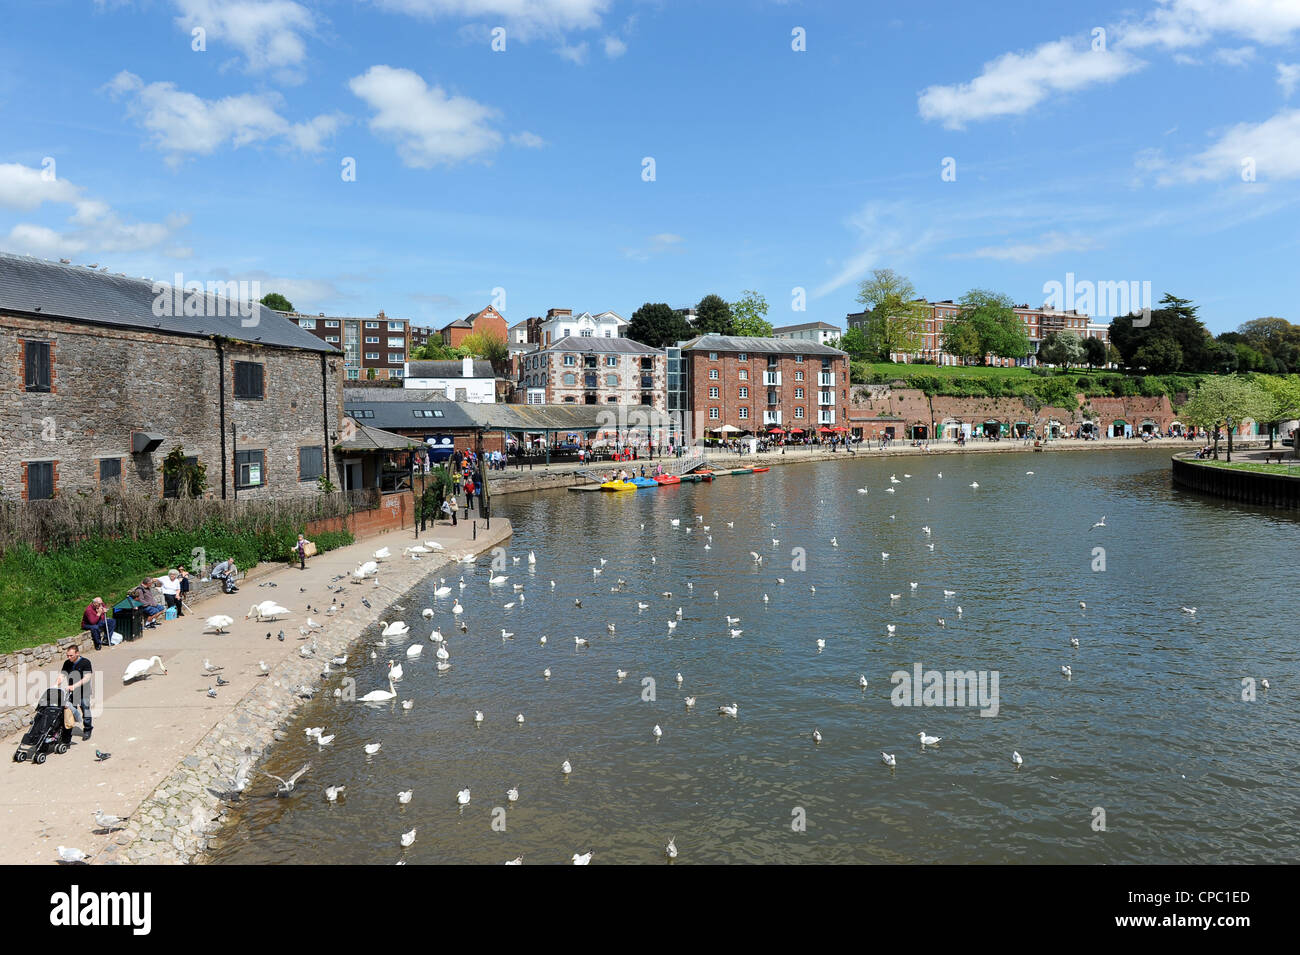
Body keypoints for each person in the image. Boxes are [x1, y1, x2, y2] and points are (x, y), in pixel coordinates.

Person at [57, 645, 94, 741]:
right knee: (69, 711)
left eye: (71, 655)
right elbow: (62, 674)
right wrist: (57, 683)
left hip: (83, 692)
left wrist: (74, 686)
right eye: (67, 655)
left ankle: (87, 729)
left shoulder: (86, 662)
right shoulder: (67, 663)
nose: (69, 658)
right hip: (71, 693)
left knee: (85, 710)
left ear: (77, 653)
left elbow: (87, 678)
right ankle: (67, 734)